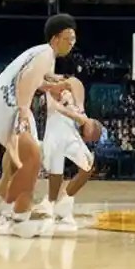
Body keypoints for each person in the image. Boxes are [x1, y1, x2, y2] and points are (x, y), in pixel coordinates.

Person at [0, 14, 77, 238]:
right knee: (32, 155)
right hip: (8, 102)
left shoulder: (38, 52)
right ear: (56, 37)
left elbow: (33, 79)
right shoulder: (46, 54)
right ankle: (17, 217)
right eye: (69, 37)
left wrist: (50, 87)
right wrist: (22, 110)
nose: (72, 42)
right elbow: (26, 79)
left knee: (17, 158)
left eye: (74, 39)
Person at [39, 76, 98, 233]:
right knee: (55, 173)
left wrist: (81, 111)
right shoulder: (48, 93)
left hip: (70, 135)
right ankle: (50, 206)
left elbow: (76, 82)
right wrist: (80, 118)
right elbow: (58, 107)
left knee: (88, 166)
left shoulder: (73, 90)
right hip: (54, 136)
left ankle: (64, 203)